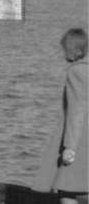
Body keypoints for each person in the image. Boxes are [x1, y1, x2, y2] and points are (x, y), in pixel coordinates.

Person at [34, 28, 88, 204]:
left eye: (65, 49)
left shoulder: (77, 72)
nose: (63, 53)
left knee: (67, 190)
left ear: (75, 51)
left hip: (80, 141)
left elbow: (76, 111)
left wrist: (70, 148)